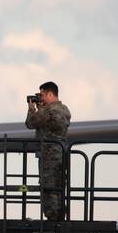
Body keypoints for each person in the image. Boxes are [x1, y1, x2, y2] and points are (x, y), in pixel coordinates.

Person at [25, 81, 71, 221]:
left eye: (42, 95)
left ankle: (52, 217)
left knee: (48, 186)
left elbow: (30, 123)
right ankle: (59, 216)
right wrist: (41, 107)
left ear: (51, 94)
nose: (41, 98)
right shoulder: (64, 109)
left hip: (48, 155)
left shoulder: (49, 110)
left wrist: (32, 108)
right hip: (60, 154)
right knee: (58, 186)